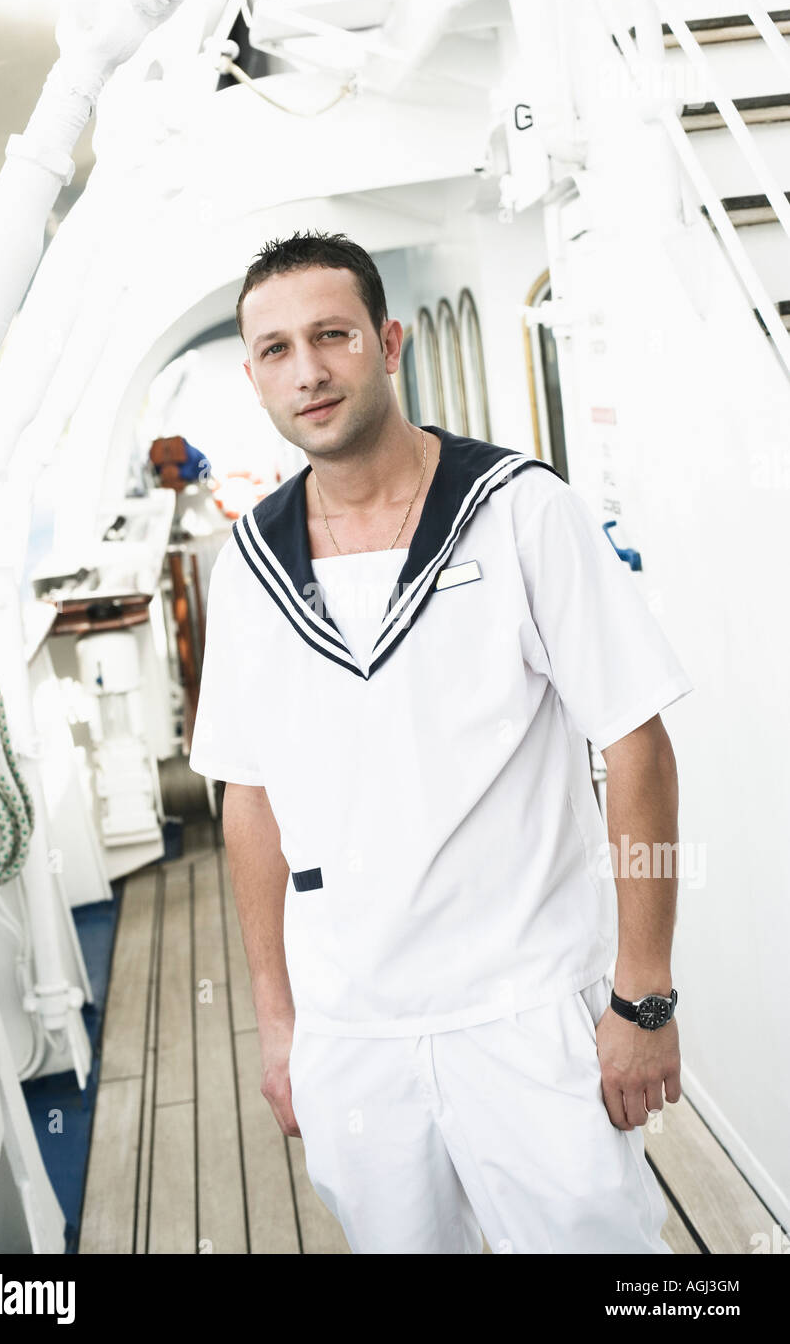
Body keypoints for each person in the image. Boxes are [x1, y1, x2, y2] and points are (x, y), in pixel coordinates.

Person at [189, 229, 693, 1255]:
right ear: (253, 378)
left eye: (331, 335)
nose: (310, 370)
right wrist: (276, 1018)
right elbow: (248, 796)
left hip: (526, 1010)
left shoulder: (517, 512)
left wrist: (642, 995)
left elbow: (633, 740)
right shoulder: (245, 565)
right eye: (277, 350)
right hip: (353, 1029)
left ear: (388, 339)